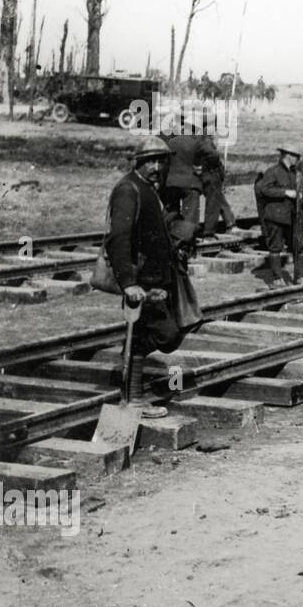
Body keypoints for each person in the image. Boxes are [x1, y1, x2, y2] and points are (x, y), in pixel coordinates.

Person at [105, 137, 188, 418]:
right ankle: (133, 399)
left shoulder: (148, 188)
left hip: (155, 280)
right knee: (166, 333)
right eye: (149, 161)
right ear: (139, 163)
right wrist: (128, 283)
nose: (156, 167)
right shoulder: (128, 190)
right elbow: (119, 238)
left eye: (160, 161)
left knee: (155, 333)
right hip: (141, 283)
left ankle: (134, 397)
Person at [254, 146, 303, 287]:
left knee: (298, 247)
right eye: (295, 156)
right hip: (276, 216)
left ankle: (300, 277)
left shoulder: (296, 173)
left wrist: (300, 193)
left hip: (292, 216)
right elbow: (264, 189)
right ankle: (277, 278)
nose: (297, 159)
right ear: (288, 156)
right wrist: (285, 193)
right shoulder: (273, 172)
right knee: (275, 247)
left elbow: (302, 187)